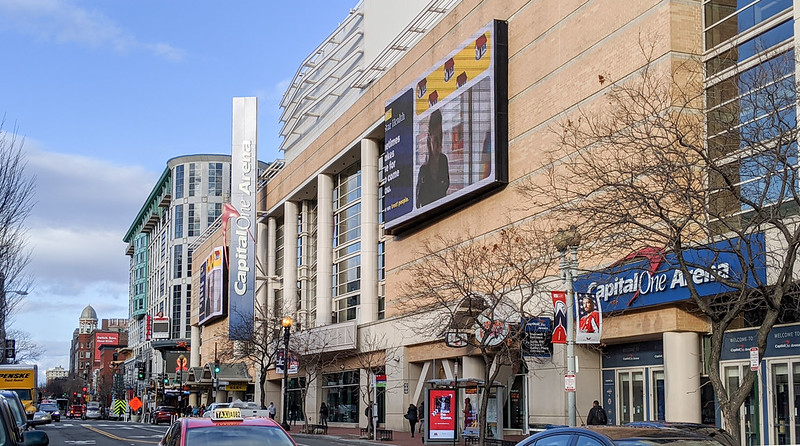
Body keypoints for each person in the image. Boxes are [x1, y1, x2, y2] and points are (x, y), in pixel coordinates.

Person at [416, 108, 450, 208]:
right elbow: (419, 199)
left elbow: (446, 184)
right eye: (435, 140)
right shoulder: (424, 169)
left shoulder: (443, 160)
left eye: (440, 140)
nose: (438, 145)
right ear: (429, 141)